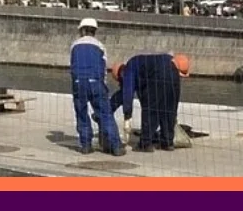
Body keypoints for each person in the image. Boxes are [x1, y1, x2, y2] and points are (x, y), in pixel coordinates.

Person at [108, 53, 191, 152]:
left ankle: (145, 144)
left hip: (157, 76)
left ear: (121, 74)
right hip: (173, 74)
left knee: (151, 111)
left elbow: (128, 93)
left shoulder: (130, 68)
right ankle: (167, 142)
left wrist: (127, 115)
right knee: (169, 110)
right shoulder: (146, 63)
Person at [69, 18, 125, 156]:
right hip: (96, 82)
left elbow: (73, 66)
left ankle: (86, 146)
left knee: (81, 113)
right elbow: (103, 69)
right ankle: (116, 146)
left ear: (82, 30)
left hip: (78, 83)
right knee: (105, 114)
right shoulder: (100, 46)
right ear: (94, 31)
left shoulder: (74, 45)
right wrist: (103, 87)